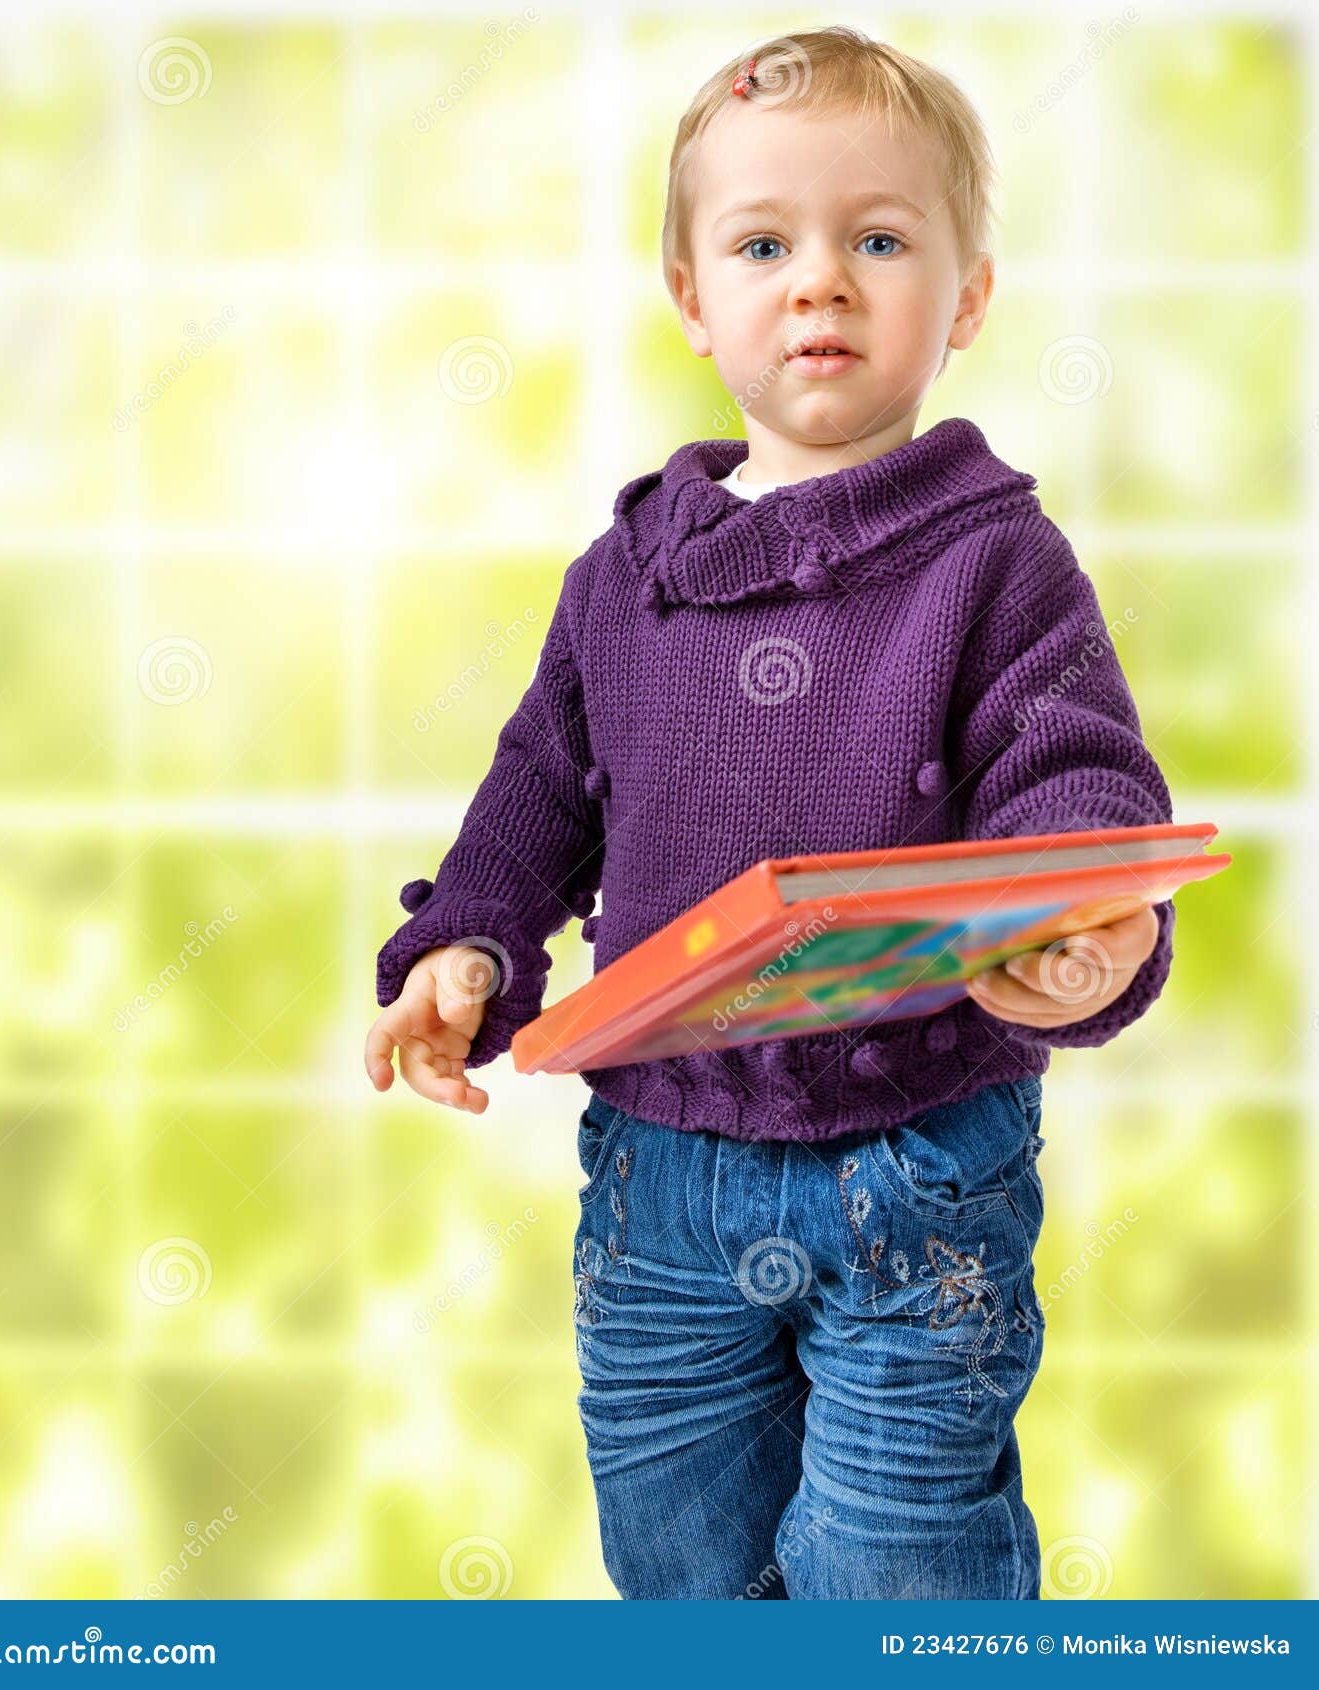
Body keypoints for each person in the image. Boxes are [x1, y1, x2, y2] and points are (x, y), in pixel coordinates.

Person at [364, 25, 1172, 1599]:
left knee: (899, 1561)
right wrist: (468, 939)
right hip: (660, 1169)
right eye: (763, 243)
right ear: (690, 298)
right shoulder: (625, 575)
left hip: (923, 1149)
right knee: (683, 1560)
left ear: (971, 296)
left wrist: (1083, 920)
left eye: (879, 238)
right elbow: (542, 781)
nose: (821, 281)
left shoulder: (996, 562)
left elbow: (1074, 775)